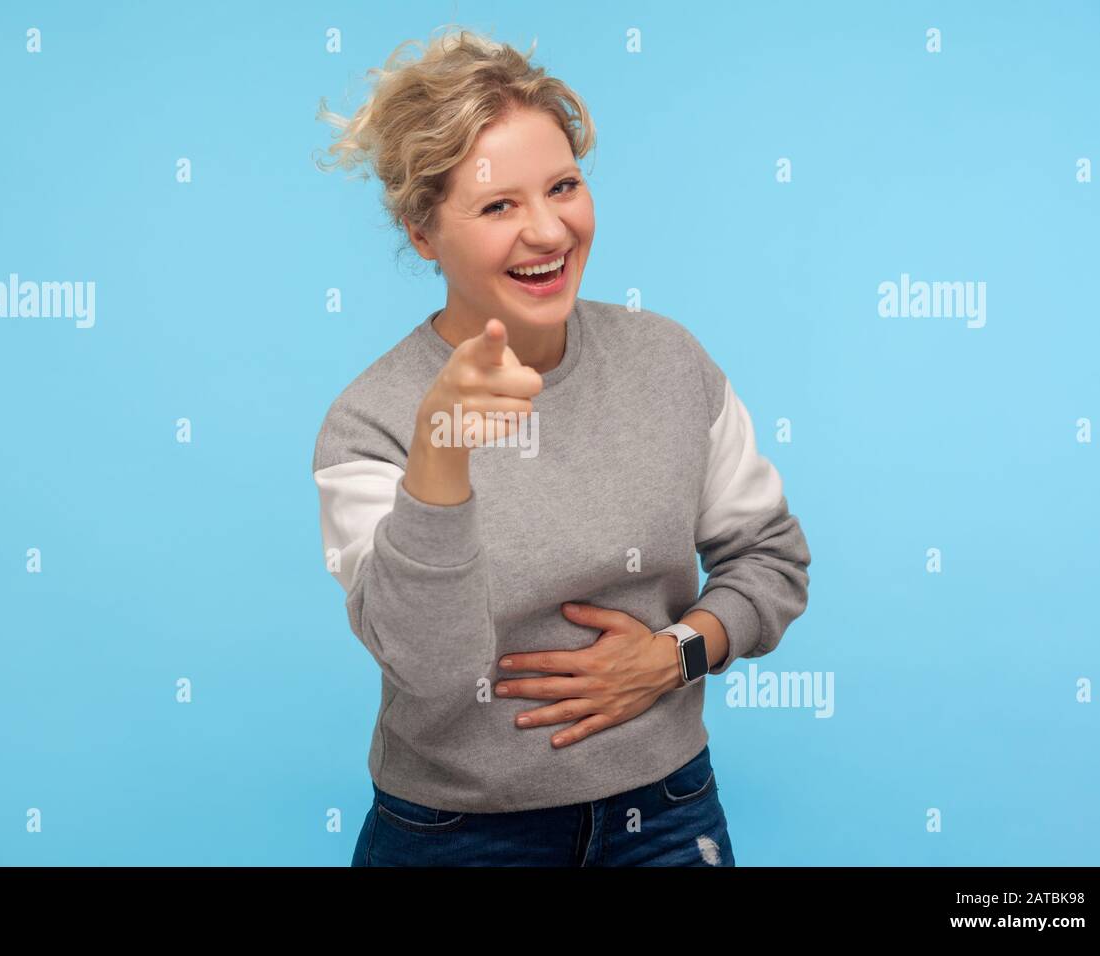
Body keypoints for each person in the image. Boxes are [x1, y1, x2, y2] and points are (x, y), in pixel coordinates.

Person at [311, 26, 811, 866]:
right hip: (456, 836)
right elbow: (429, 670)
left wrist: (676, 654)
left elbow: (771, 560)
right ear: (424, 232)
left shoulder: (670, 363)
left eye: (563, 186)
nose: (547, 231)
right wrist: (441, 456)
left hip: (669, 815)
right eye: (498, 205)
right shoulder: (371, 423)